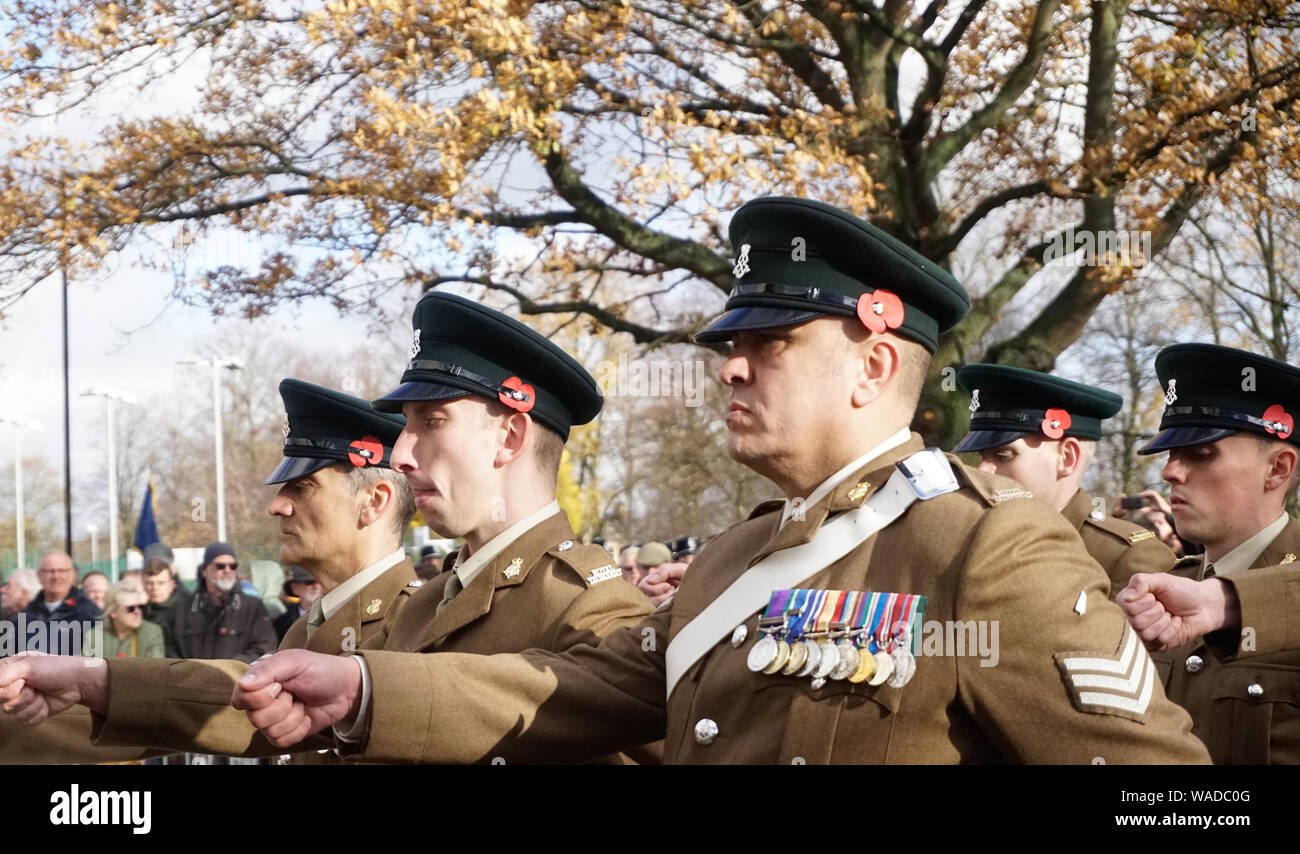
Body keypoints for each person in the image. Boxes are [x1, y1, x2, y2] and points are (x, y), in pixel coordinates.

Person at [227, 196, 1208, 764]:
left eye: (769, 341)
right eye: (728, 342)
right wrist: (361, 687)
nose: (730, 365)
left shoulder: (982, 544)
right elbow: (574, 681)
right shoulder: (737, 556)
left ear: (873, 366)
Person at [2, 297, 654, 764]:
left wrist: (363, 689)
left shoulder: (593, 603)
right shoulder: (428, 604)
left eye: (431, 420)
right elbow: (259, 699)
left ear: (509, 433)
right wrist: (94, 679)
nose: (403, 454)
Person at [0, 379, 416, 764]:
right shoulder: (309, 629)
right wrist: (84, 680)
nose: (277, 506)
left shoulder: (417, 626)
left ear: (374, 502)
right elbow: (219, 705)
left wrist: (89, 679)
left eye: (303, 486)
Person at [1116, 342, 1300, 764]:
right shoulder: (1166, 588)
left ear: (1277, 469)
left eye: (1200, 454)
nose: (1169, 471)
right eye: (1171, 454)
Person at [953, 364, 1175, 591]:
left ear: (1067, 458)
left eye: (1003, 455)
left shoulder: (1128, 558)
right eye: (982, 455)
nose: (982, 469)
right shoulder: (966, 540)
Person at [160, 542, 276, 662]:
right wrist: (190, 671)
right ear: (205, 571)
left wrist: (228, 669)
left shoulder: (253, 608)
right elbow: (168, 650)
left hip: (236, 679)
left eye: (233, 566)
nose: (227, 570)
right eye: (220, 566)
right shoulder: (180, 610)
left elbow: (264, 649)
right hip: (191, 679)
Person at [14, 551, 101, 656]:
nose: (56, 576)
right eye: (50, 571)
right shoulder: (25, 616)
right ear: (39, 576)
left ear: (73, 574)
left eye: (62, 570)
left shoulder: (90, 615)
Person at [85, 580, 164, 659]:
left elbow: (154, 668)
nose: (137, 612)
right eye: (130, 608)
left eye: (140, 607)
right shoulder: (94, 636)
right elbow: (85, 668)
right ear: (113, 612)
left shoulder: (151, 632)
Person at [141, 556, 188, 633]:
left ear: (171, 585)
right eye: (149, 583)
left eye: (161, 583)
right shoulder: (137, 611)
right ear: (143, 585)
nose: (154, 588)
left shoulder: (184, 613)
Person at [274, 567, 320, 642]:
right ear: (294, 588)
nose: (316, 587)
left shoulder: (335, 617)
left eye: (320, 582)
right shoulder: (280, 625)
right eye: (309, 582)